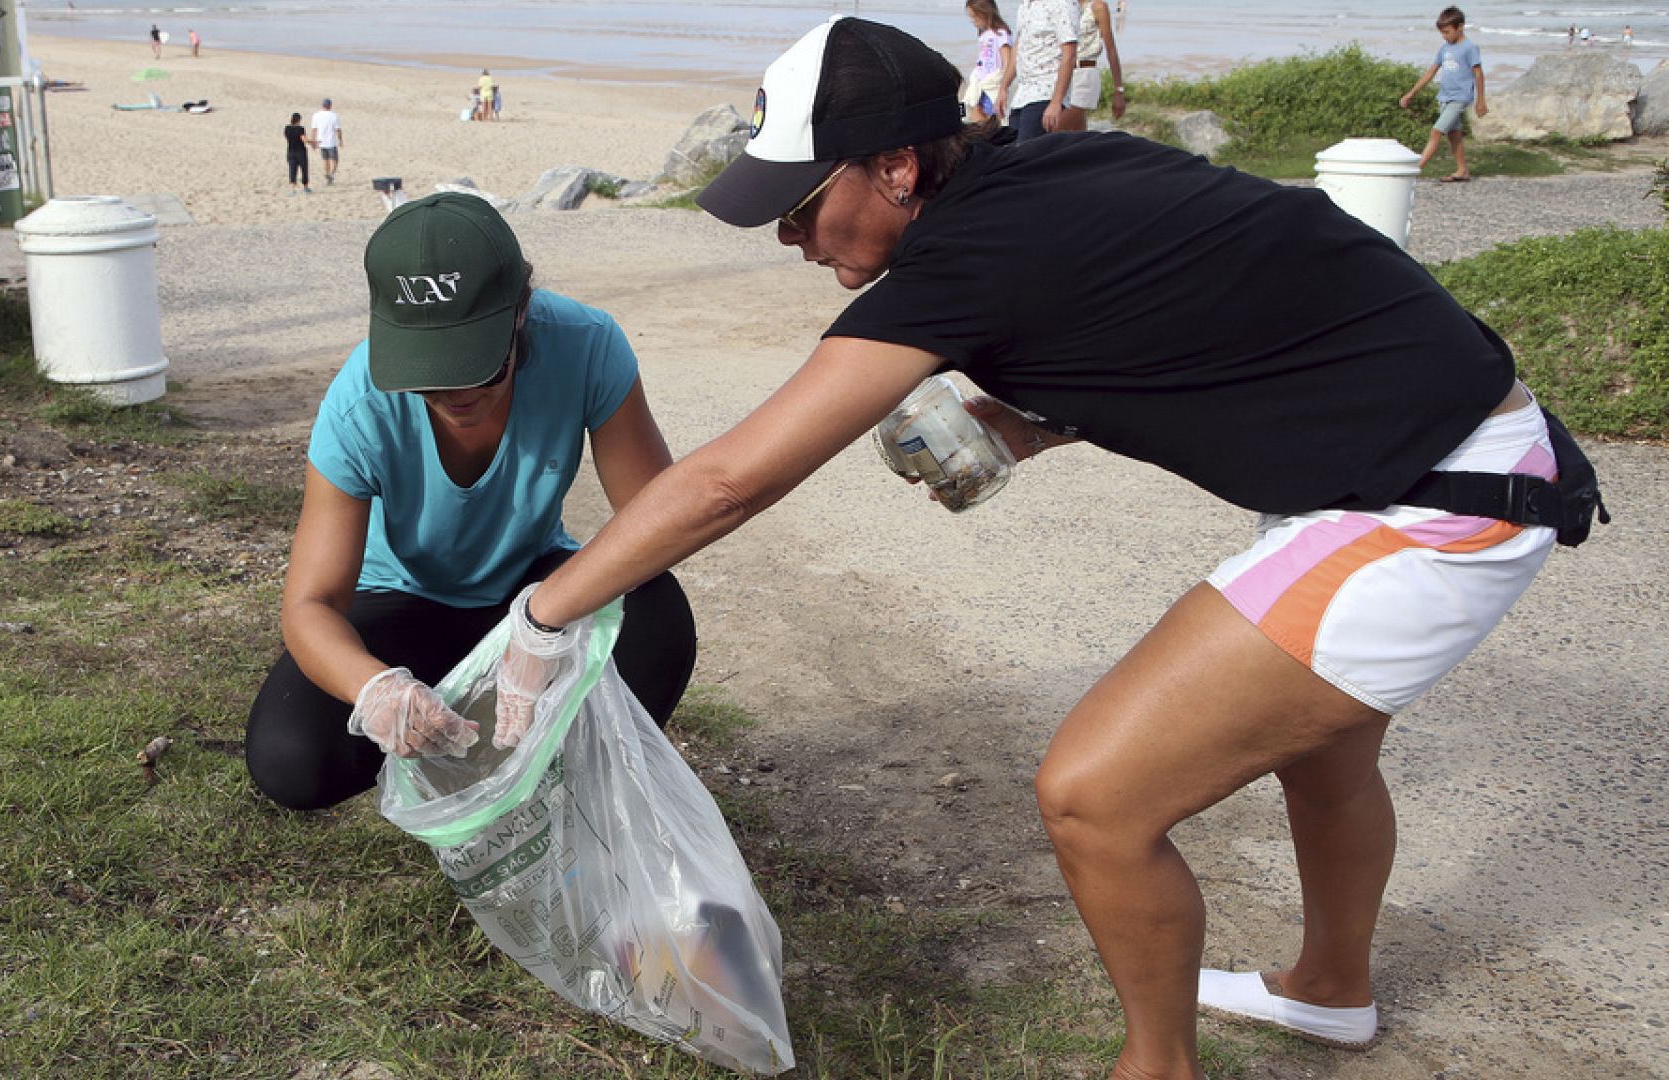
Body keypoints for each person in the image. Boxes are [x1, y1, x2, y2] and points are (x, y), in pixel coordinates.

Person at [498, 16, 1584, 1079]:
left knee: (1095, 798)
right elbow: (1203, 310)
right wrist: (1032, 422)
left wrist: (545, 617)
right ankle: (1330, 992)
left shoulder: (972, 256)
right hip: (1437, 444)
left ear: (896, 166)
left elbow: (733, 480)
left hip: (1435, 502)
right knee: (1324, 747)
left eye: (801, 207)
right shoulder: (1043, 168)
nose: (792, 239)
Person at [245, 193, 697, 810]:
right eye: (428, 373)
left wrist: (544, 622)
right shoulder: (359, 403)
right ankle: (470, 764)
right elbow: (310, 603)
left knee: (655, 615)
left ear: (521, 312)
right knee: (290, 760)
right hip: (400, 601)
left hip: (531, 588)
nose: (456, 394)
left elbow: (658, 519)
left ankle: (567, 781)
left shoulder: (585, 345)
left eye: (481, 367)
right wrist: (375, 687)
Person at [1401, 6, 1486, 183]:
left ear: (1460, 27)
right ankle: (1462, 171)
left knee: (1435, 132)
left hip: (1459, 97)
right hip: (1444, 97)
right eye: (1442, 33)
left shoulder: (1469, 48)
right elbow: (1431, 72)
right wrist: (1411, 93)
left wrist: (1480, 101)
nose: (1444, 36)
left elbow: (1478, 74)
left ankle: (1416, 170)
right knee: (1454, 136)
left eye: (1447, 32)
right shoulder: (1445, 48)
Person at [1006, 0, 1078, 138]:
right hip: (1022, 94)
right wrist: (1004, 86)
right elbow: (1018, 47)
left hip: (1046, 91)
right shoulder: (1025, 6)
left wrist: (1056, 102)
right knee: (1013, 151)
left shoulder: (1062, 4)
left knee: (1028, 153)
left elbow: (1069, 54)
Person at [1060, 0, 1127, 129]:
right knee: (1075, 139)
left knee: (1054, 131)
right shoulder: (1064, 5)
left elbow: (1111, 49)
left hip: (1084, 75)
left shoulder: (1097, 7)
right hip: (1063, 76)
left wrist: (1118, 90)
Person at [310, 97, 343, 184]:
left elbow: (314, 129)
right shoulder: (334, 115)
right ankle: (331, 174)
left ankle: (327, 174)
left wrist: (313, 142)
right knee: (335, 160)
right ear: (330, 106)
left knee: (326, 160)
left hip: (321, 142)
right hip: (331, 142)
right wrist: (340, 140)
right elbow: (338, 130)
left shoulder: (316, 115)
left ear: (323, 105)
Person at [284, 111, 311, 195]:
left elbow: (286, 137)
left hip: (291, 151)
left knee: (292, 170)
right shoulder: (301, 129)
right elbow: (304, 140)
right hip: (300, 152)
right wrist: (313, 142)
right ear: (299, 120)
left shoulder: (287, 128)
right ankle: (305, 188)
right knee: (304, 169)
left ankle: (293, 189)